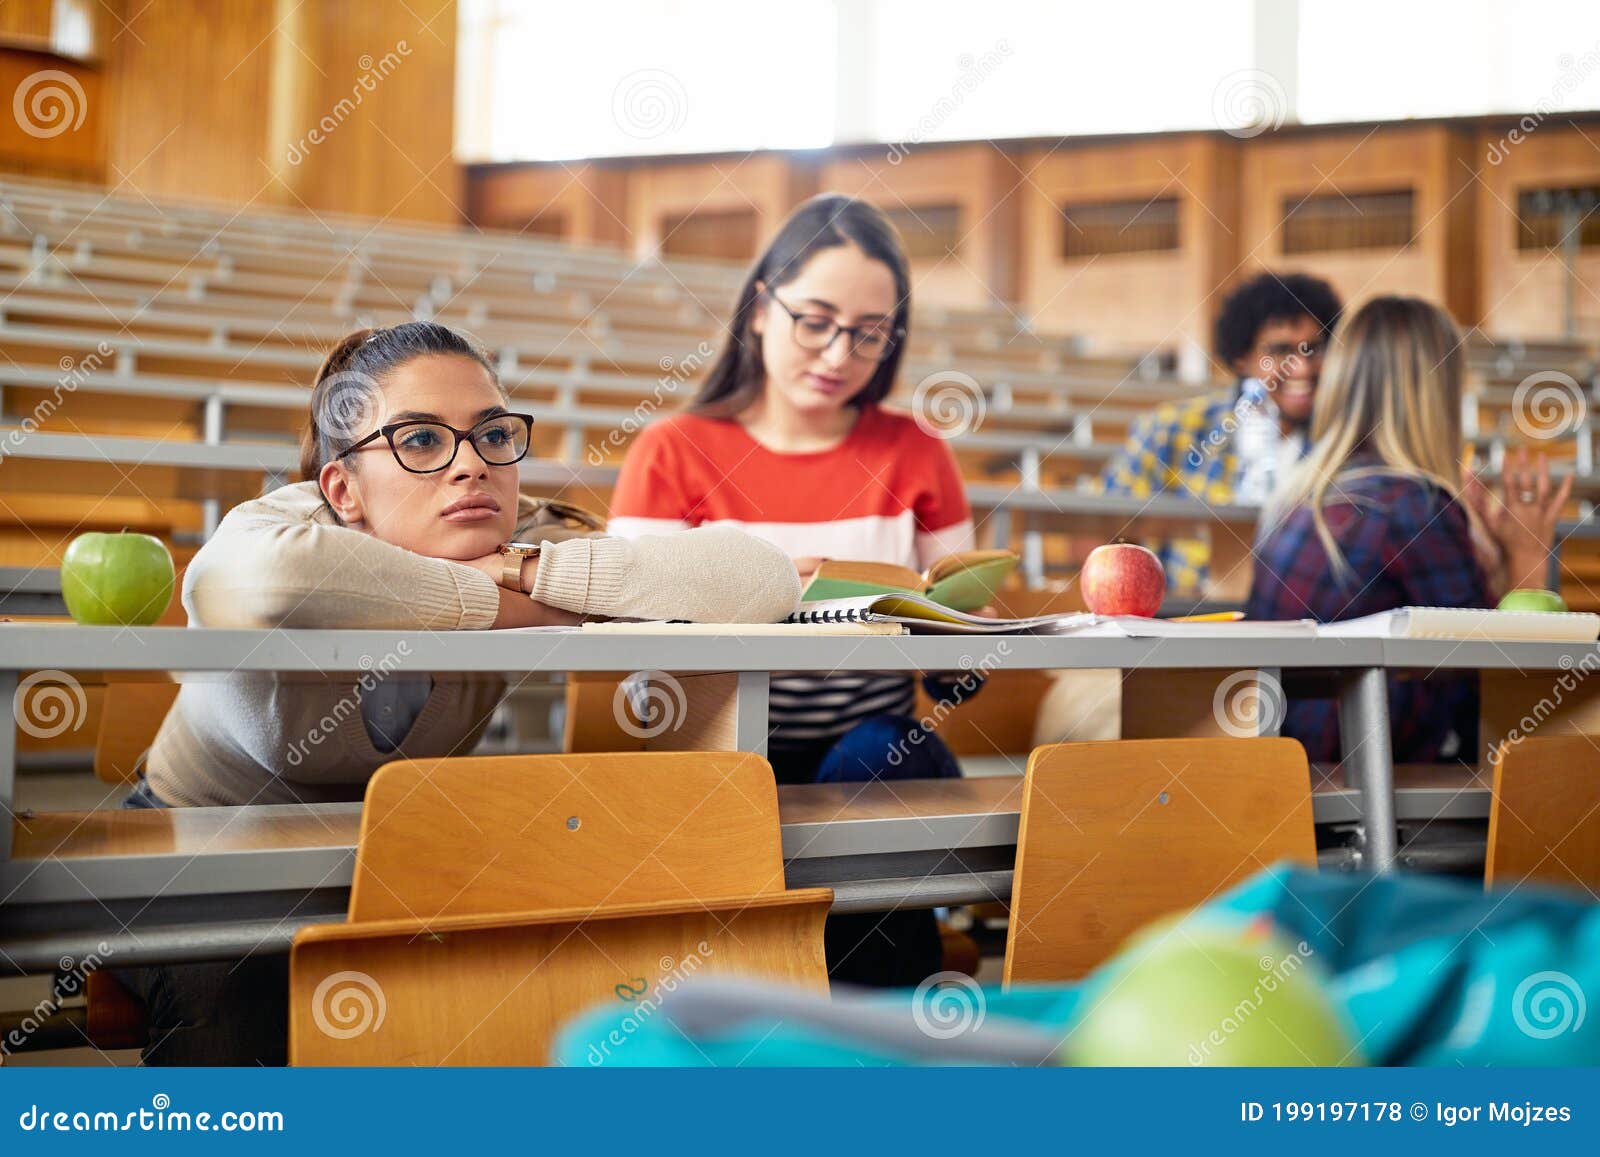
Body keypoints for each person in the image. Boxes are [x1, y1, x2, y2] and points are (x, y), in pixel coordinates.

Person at [120, 321, 801, 1064]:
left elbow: (760, 578)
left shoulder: (518, 538)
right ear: (342, 489)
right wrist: (503, 602)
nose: (472, 465)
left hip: (402, 848)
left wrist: (520, 572)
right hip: (198, 847)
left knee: (513, 990)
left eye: (493, 435)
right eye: (420, 440)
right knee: (238, 1003)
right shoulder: (286, 529)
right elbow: (259, 581)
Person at [608, 193, 977, 986]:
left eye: (869, 333)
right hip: (717, 756)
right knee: (739, 789)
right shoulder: (672, 450)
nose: (839, 354)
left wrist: (964, 634)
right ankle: (818, 1011)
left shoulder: (916, 450)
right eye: (815, 320)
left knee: (874, 756)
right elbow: (632, 654)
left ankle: (854, 1018)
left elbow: (958, 642)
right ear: (759, 309)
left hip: (879, 752)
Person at [1247, 295, 1570, 763]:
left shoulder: (1304, 492)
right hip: (1359, 775)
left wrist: (1492, 566)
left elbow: (1457, 638)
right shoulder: (1413, 505)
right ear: (1440, 394)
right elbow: (1491, 690)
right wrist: (1527, 562)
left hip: (1283, 760)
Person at [1101, 271, 1343, 596]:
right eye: (1280, 350)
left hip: (1303, 614)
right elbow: (1110, 531)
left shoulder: (1343, 440)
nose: (1301, 368)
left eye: (1313, 349)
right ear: (1242, 358)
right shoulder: (1173, 431)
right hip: (1187, 617)